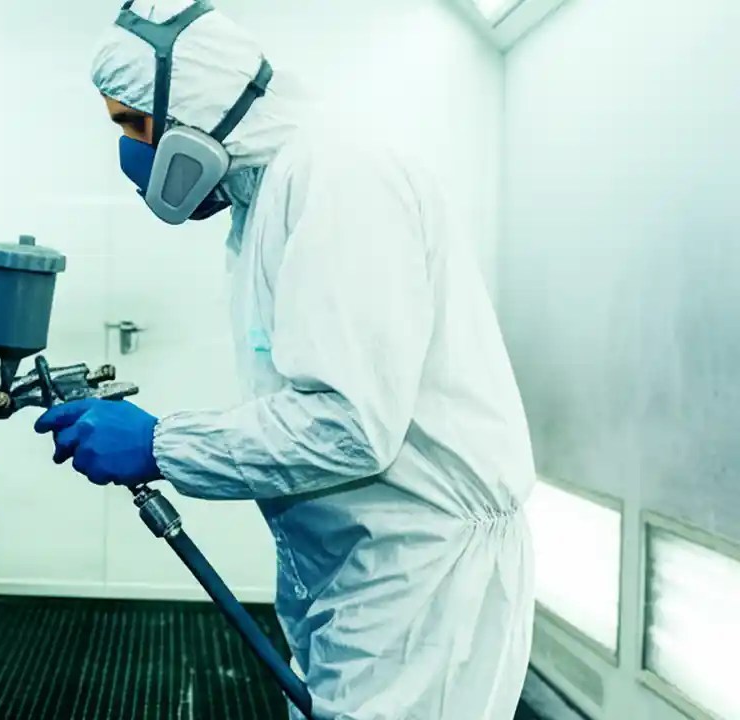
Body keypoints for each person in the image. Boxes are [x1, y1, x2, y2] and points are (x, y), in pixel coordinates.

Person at [35, 1, 537, 718]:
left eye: (132, 124)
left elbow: (350, 427)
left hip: (421, 583)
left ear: (194, 112)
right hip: (369, 574)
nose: (128, 155)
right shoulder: (268, 198)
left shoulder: (340, 180)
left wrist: (158, 445)